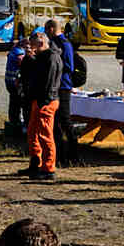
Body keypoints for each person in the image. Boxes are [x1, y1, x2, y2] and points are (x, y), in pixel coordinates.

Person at [21, 32, 62, 182]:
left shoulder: (51, 58)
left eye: (33, 45)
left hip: (46, 101)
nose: (31, 48)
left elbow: (49, 82)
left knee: (45, 135)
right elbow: (33, 72)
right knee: (33, 133)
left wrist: (43, 101)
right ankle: (36, 162)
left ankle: (49, 168)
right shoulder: (42, 57)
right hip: (39, 100)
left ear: (41, 43)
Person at [43, 19, 81, 166]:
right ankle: (60, 155)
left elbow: (69, 66)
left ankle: (74, 154)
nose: (47, 33)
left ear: (52, 29)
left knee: (65, 121)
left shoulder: (64, 44)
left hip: (63, 86)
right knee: (56, 123)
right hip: (54, 85)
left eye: (47, 30)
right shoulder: (55, 42)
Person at [2, 26, 27, 143]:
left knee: (13, 103)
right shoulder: (19, 53)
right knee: (18, 103)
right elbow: (23, 63)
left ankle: (14, 122)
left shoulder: (13, 50)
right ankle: (18, 125)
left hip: (9, 81)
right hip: (15, 83)